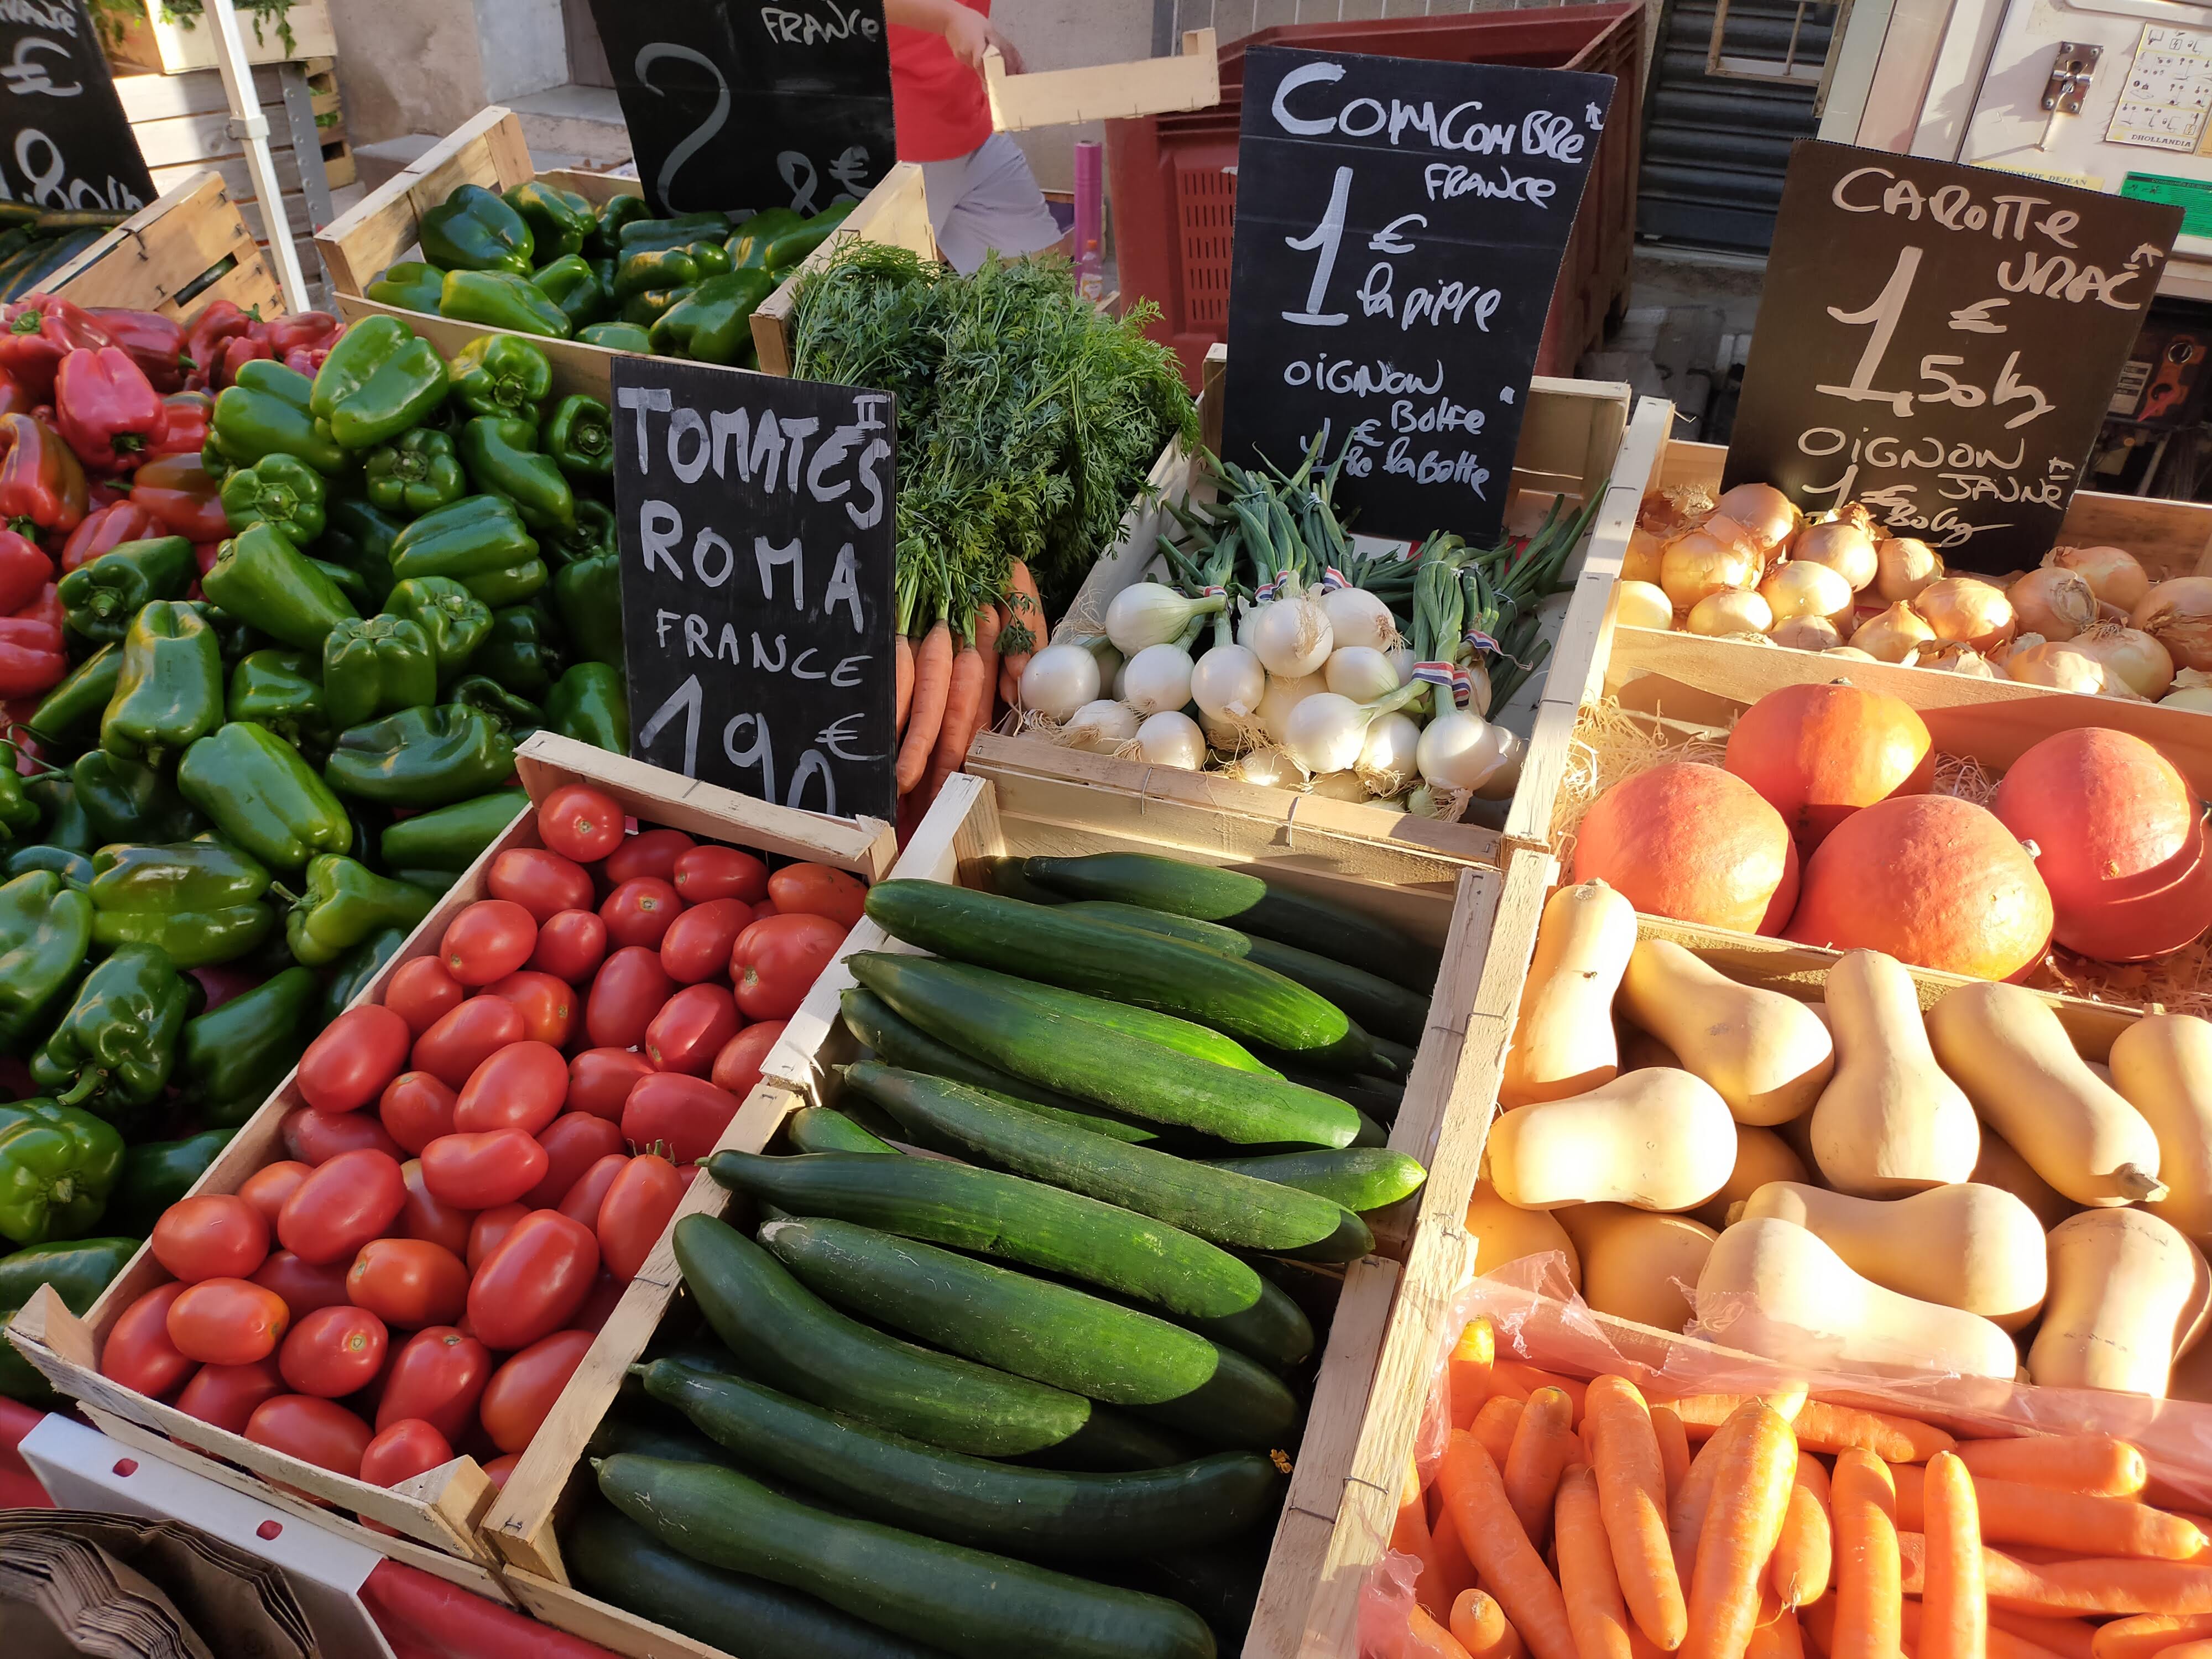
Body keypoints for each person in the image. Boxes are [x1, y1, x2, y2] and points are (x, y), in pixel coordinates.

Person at [884, 0, 1068, 274]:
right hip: (904, 143)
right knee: (871, 301)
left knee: (1047, 279)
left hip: (973, 127)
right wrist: (949, 17)